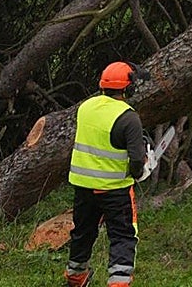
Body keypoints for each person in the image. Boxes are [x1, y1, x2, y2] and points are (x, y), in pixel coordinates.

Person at [64, 61, 149, 287]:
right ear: (128, 88)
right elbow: (137, 159)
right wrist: (140, 170)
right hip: (115, 189)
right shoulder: (129, 117)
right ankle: (119, 283)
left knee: (82, 232)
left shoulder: (85, 107)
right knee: (122, 236)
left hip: (83, 186)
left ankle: (75, 275)